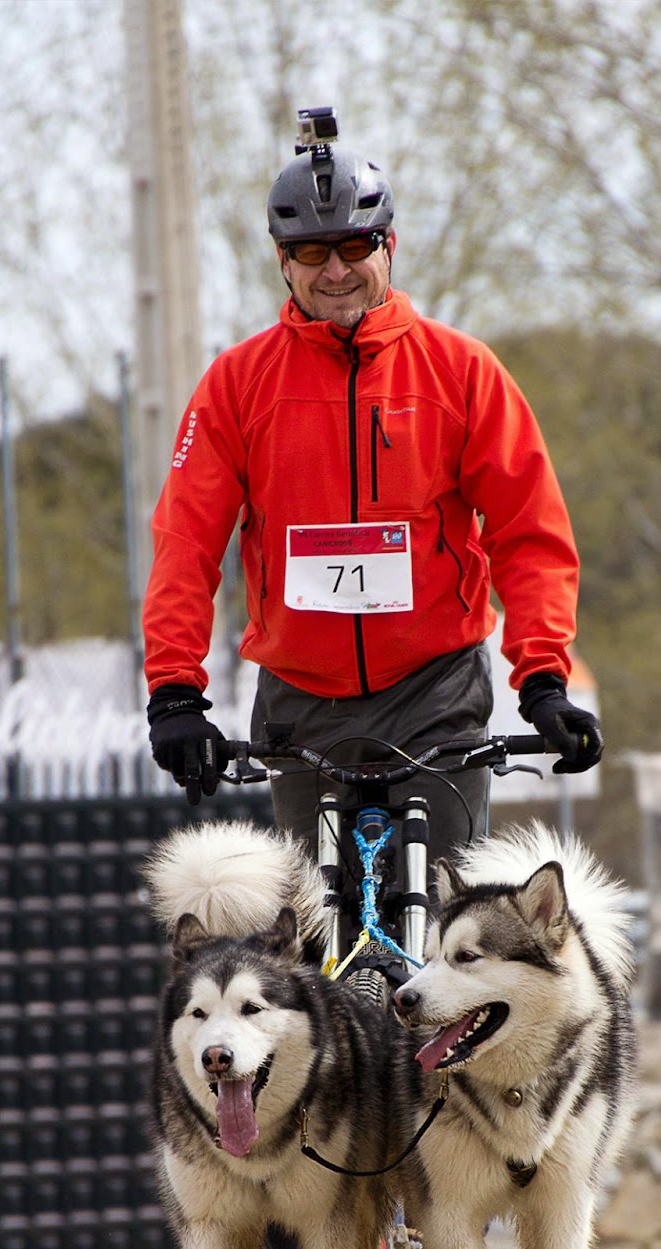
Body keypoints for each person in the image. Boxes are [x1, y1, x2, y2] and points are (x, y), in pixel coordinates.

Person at [143, 109, 602, 870]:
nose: (335, 271)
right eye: (312, 251)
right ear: (283, 261)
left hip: (434, 691)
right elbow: (185, 544)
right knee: (311, 923)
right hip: (300, 697)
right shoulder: (235, 384)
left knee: (444, 914)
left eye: (354, 246)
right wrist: (175, 694)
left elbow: (530, 533)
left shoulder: (463, 371)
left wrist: (544, 679)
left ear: (389, 246)